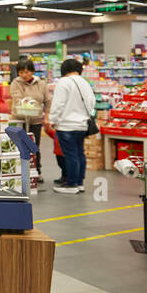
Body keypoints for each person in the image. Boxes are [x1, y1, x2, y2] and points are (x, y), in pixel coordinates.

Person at [47, 58, 95, 195]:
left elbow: (58, 103)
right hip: (82, 124)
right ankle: (80, 183)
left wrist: (53, 119)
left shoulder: (64, 82)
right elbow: (91, 103)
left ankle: (71, 184)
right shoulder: (85, 83)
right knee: (79, 153)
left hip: (66, 125)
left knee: (70, 155)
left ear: (64, 70)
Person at [8, 58, 48, 170]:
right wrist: (33, 105)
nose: (24, 75)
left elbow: (47, 101)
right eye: (21, 72)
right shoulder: (16, 83)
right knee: (19, 146)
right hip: (19, 120)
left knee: (34, 145)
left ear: (32, 71)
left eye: (26, 72)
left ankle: (36, 170)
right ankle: (19, 171)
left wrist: (47, 117)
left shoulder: (41, 84)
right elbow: (18, 99)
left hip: (36, 120)